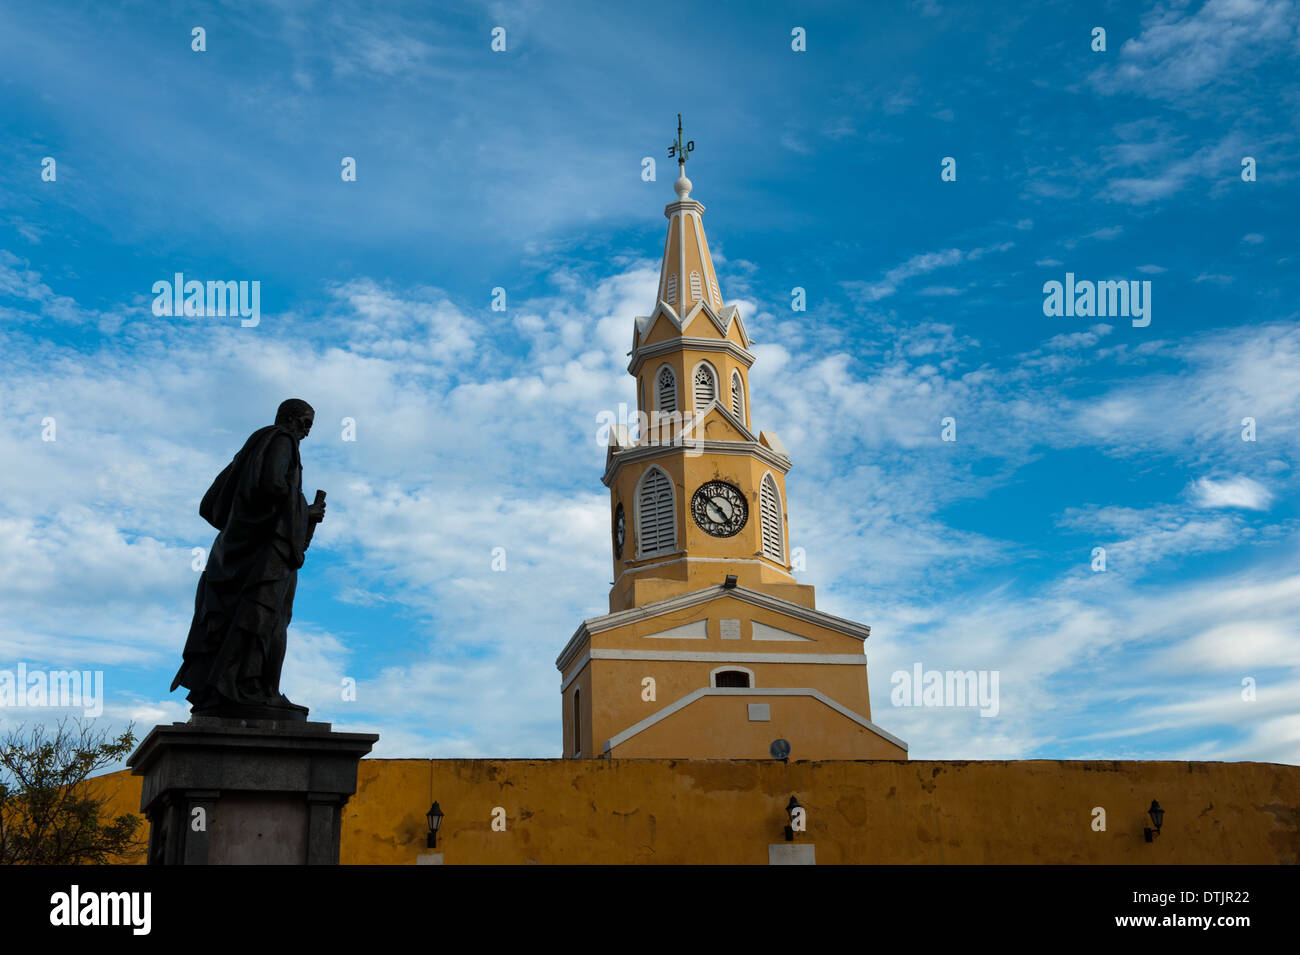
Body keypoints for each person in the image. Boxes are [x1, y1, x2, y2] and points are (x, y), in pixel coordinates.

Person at [170, 399, 326, 719]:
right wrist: (305, 512)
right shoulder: (281, 439)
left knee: (260, 618)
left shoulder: (255, 447)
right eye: (306, 423)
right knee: (262, 618)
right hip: (266, 552)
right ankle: (249, 689)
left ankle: (244, 687)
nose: (308, 432)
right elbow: (271, 486)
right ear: (289, 419)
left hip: (250, 548)